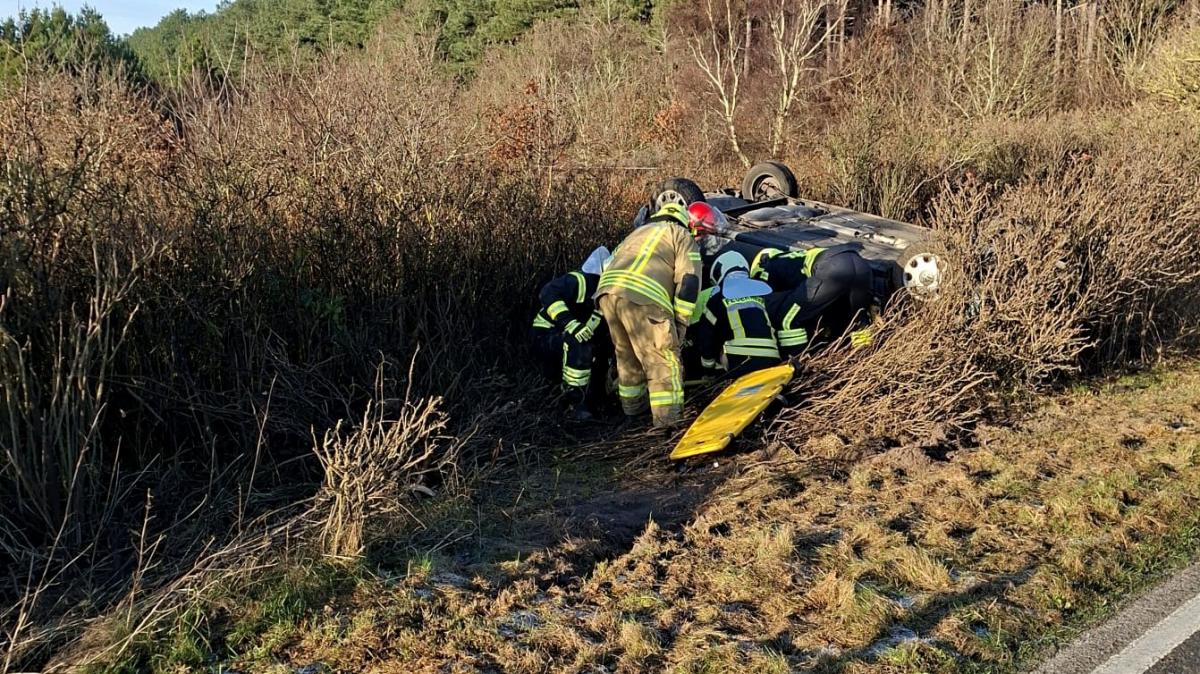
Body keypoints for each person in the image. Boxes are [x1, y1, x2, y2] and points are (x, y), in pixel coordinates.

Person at [597, 203, 702, 428]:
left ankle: (633, 415)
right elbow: (689, 281)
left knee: (627, 356)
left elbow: (608, 263)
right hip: (643, 297)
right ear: (685, 221)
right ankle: (668, 426)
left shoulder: (636, 233)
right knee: (663, 360)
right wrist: (680, 325)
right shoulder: (680, 234)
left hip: (607, 293)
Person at [530, 246, 612, 420]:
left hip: (567, 337)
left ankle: (596, 398)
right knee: (579, 343)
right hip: (545, 335)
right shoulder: (582, 281)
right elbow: (547, 292)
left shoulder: (606, 294)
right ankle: (574, 403)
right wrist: (571, 324)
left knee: (599, 348)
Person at [753, 245, 878, 354]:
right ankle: (865, 356)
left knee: (787, 320)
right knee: (858, 321)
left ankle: (796, 362)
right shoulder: (793, 258)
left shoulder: (767, 267)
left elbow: (770, 298)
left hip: (832, 269)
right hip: (861, 266)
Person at [693, 251, 780, 376]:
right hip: (772, 358)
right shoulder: (763, 293)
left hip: (740, 361)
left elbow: (706, 336)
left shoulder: (717, 299)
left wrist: (708, 368)